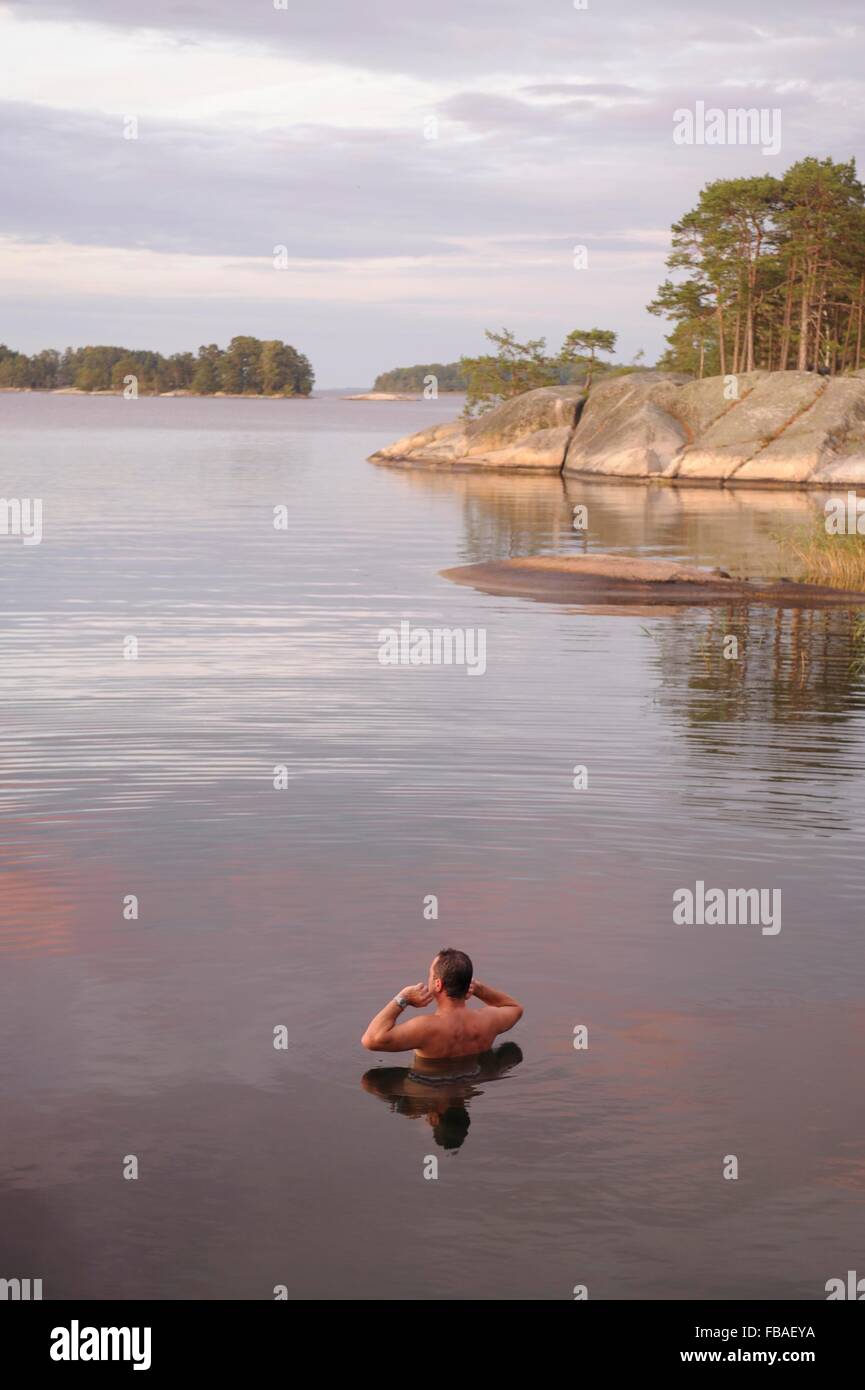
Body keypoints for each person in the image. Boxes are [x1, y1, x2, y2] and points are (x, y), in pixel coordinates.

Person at [360, 947, 523, 1059]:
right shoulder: (488, 1020)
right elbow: (515, 1008)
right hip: (467, 1089)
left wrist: (403, 998)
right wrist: (480, 989)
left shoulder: (425, 1028)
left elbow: (371, 1040)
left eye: (430, 975)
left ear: (438, 984)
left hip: (431, 1097)